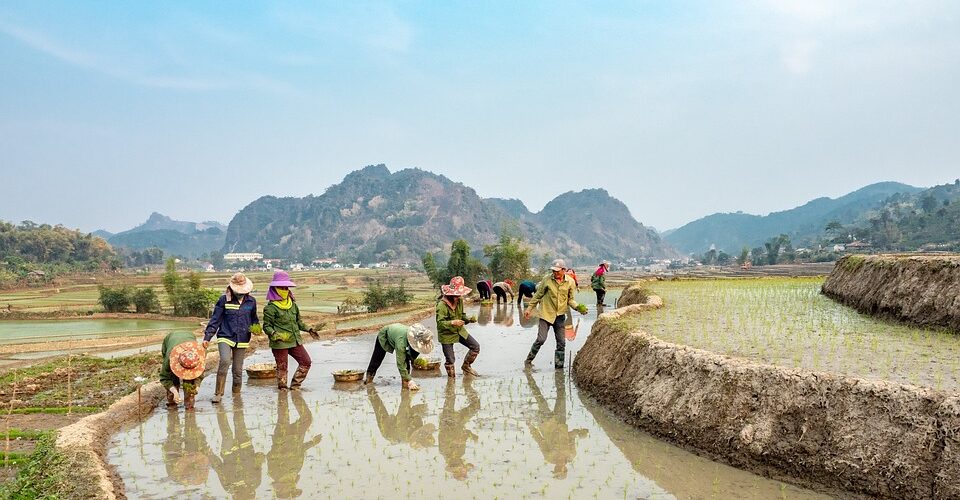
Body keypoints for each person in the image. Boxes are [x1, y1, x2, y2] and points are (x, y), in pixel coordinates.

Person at [203, 272, 259, 404]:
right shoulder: (224, 300)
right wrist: (207, 337)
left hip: (243, 338)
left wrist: (257, 329)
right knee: (225, 361)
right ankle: (218, 393)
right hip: (225, 336)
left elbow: (254, 319)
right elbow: (215, 320)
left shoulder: (251, 301)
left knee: (238, 370)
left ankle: (236, 395)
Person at [524, 259, 587, 369]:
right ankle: (528, 361)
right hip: (546, 314)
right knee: (541, 339)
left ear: (564, 270)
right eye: (553, 271)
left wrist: (578, 308)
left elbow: (570, 300)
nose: (555, 273)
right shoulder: (547, 280)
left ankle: (559, 369)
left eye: (557, 271)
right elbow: (538, 295)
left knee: (561, 343)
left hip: (560, 316)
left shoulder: (570, 282)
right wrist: (529, 308)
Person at [525, 370, 589, 479]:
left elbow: (540, 440)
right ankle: (559, 374)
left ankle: (529, 377)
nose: (557, 468)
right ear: (565, 469)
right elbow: (570, 437)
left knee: (540, 399)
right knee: (561, 395)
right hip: (561, 422)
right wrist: (578, 432)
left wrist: (531, 427)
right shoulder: (571, 455)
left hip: (547, 423)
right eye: (559, 470)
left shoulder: (549, 457)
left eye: (556, 470)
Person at [263, 271, 319, 391]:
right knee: (282, 367)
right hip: (280, 342)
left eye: (286, 287)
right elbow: (266, 326)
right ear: (274, 289)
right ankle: (282, 391)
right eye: (281, 288)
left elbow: (298, 322)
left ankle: (295, 386)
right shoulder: (270, 308)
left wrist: (309, 329)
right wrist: (274, 334)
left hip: (295, 340)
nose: (284, 289)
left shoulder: (292, 305)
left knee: (306, 361)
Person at [267, 391, 322, 497]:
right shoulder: (294, 474)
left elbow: (270, 455)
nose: (294, 488)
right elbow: (300, 451)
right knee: (307, 418)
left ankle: (286, 395)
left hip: (283, 437)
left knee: (283, 414)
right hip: (296, 436)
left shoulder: (275, 473)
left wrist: (283, 447)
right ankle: (295, 396)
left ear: (283, 490)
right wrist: (313, 442)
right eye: (293, 489)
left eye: (291, 490)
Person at [209, 397, 264, 499]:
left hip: (238, 450)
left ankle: (233, 403)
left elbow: (219, 469)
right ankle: (223, 407)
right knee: (229, 430)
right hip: (237, 450)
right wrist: (211, 457)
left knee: (237, 426)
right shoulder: (232, 487)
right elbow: (219, 469)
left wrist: (211, 457)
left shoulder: (252, 484)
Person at [364, 322, 435, 390]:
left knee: (407, 361)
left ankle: (405, 383)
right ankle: (368, 380)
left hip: (398, 332)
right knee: (377, 359)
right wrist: (410, 380)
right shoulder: (401, 343)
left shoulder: (419, 336)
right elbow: (400, 363)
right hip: (385, 334)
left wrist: (414, 361)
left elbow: (415, 352)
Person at [436, 276, 480, 378]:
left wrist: (468, 319)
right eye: (456, 294)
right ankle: (451, 381)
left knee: (475, 346)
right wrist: (452, 322)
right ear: (450, 293)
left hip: (459, 331)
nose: (459, 296)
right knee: (450, 360)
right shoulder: (441, 305)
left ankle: (466, 366)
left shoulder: (459, 300)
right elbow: (440, 323)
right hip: (446, 334)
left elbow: (462, 315)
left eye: (459, 294)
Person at [367, 386, 436, 449]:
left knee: (377, 405)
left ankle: (370, 389)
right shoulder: (418, 425)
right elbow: (411, 413)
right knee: (406, 409)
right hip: (399, 427)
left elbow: (403, 408)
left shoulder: (404, 431)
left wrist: (406, 393)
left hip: (387, 429)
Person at [439, 378, 480, 481]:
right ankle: (467, 386)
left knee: (450, 398)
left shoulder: (445, 451)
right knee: (476, 406)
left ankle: (455, 383)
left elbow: (443, 434)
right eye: (464, 471)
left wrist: (455, 439)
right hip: (459, 422)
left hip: (448, 421)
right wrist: (470, 435)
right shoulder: (460, 453)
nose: (464, 469)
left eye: (463, 471)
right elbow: (463, 435)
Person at [160, 331, 206, 411]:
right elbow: (165, 377)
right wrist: (174, 391)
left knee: (190, 382)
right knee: (172, 378)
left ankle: (189, 405)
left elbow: (199, 375)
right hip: (171, 340)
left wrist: (196, 388)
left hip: (189, 336)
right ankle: (172, 404)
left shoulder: (199, 356)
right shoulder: (169, 358)